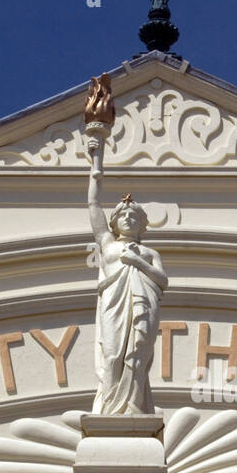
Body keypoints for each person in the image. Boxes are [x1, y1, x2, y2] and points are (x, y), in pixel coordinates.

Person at [85, 131, 168, 415]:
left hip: (144, 302)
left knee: (138, 351)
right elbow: (93, 206)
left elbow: (162, 280)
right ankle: (108, 406)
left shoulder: (149, 254)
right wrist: (96, 164)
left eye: (134, 217)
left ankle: (134, 406)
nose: (129, 218)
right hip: (115, 303)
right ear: (115, 223)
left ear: (143, 226)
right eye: (123, 216)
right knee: (112, 355)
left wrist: (138, 262)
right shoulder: (107, 245)